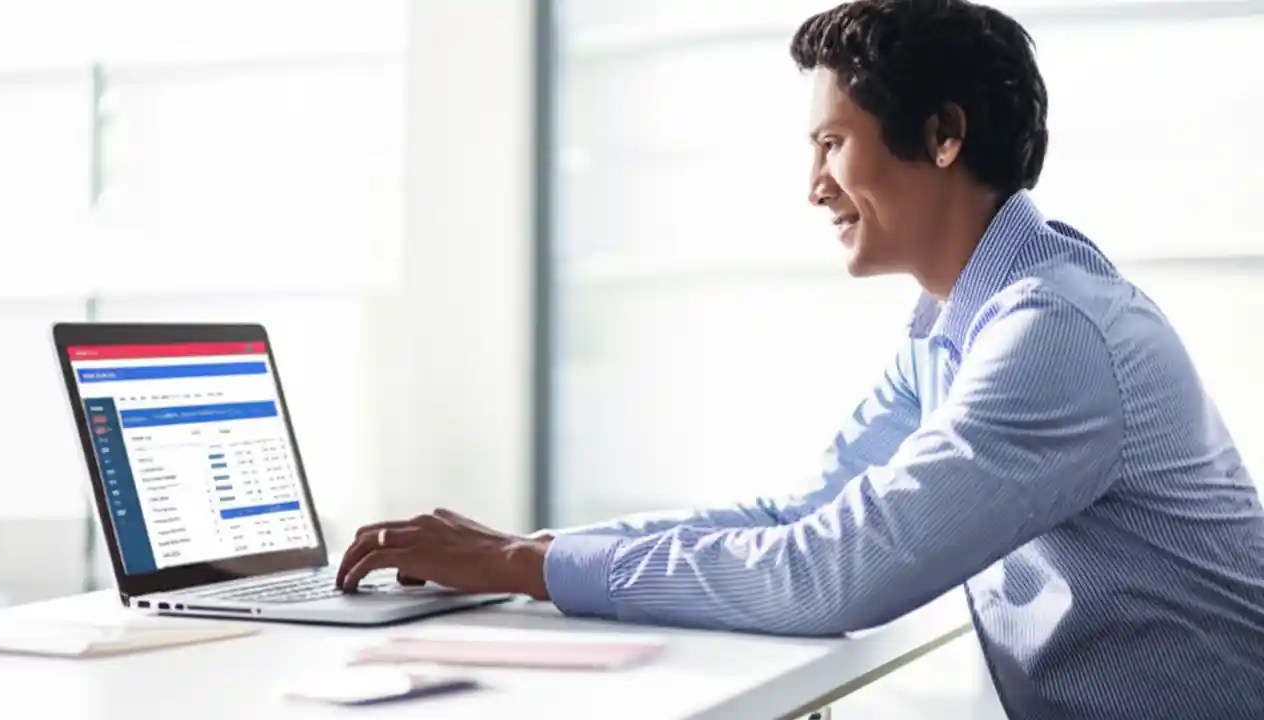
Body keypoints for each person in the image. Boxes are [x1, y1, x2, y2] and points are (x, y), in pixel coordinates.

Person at [336, 1, 1264, 717]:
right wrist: (533, 550)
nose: (814, 186)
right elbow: (805, 513)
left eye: (832, 144)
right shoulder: (954, 328)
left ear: (944, 136)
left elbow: (840, 571)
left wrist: (519, 566)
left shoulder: (1050, 333)